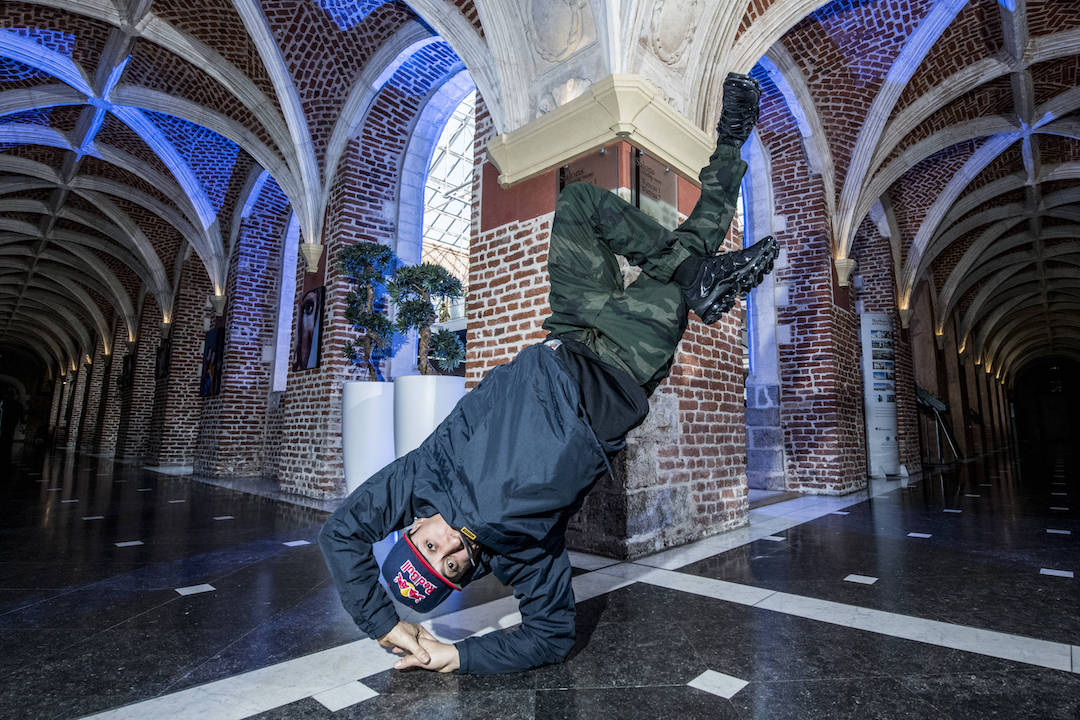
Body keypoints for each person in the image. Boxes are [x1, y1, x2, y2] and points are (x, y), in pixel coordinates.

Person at [319, 72, 778, 675]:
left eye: (432, 545)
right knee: (691, 244)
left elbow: (341, 534)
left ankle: (696, 277)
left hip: (568, 328)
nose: (451, 545)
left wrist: (383, 625)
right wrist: (454, 654)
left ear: (415, 526)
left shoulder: (419, 477)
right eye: (453, 564)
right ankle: (731, 141)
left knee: (581, 205)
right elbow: (551, 635)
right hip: (622, 364)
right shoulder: (522, 552)